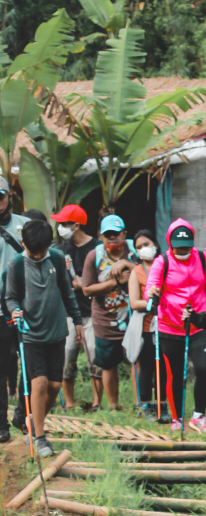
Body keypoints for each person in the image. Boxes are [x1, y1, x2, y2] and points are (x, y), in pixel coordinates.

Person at [4, 219, 82, 457]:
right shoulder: (15, 265)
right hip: (30, 333)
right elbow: (10, 297)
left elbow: (67, 293)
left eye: (42, 252)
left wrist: (77, 320)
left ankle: (32, 421)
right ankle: (40, 437)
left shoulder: (57, 259)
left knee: (55, 385)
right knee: (38, 383)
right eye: (33, 252)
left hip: (56, 331)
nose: (38, 256)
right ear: (22, 243)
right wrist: (14, 310)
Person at [145, 219, 206, 433]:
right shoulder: (162, 262)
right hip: (170, 326)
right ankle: (177, 418)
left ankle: (198, 416)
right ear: (170, 243)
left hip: (198, 323)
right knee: (174, 374)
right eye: (178, 248)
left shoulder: (203, 258)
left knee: (205, 368)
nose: (182, 251)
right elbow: (152, 286)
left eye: (186, 248)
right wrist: (153, 293)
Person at [81, 215, 138, 411]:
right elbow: (86, 289)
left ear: (124, 233)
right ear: (101, 236)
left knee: (136, 359)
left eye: (116, 234)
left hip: (134, 318)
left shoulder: (134, 250)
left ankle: (141, 404)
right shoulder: (94, 256)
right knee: (108, 364)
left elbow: (149, 274)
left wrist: (126, 265)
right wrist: (114, 282)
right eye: (108, 235)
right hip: (105, 320)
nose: (112, 239)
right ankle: (114, 406)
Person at [51, 203, 101, 411]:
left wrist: (85, 286)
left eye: (64, 224)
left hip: (93, 312)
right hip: (69, 313)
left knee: (95, 356)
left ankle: (97, 403)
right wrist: (78, 285)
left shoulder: (97, 248)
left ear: (76, 226)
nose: (60, 227)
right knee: (67, 357)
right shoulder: (60, 249)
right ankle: (69, 403)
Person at [0, 176, 29, 442]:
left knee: (28, 363)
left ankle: (21, 415)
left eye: (1, 196)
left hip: (24, 306)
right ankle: (1, 426)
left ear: (10, 196)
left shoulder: (25, 226)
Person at [128, 230, 162, 418]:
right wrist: (154, 303)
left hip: (167, 325)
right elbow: (134, 303)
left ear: (155, 244)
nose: (143, 249)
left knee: (164, 367)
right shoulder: (137, 272)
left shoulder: (166, 266)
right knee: (146, 366)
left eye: (146, 244)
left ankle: (163, 404)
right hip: (146, 327)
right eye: (139, 247)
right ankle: (145, 405)